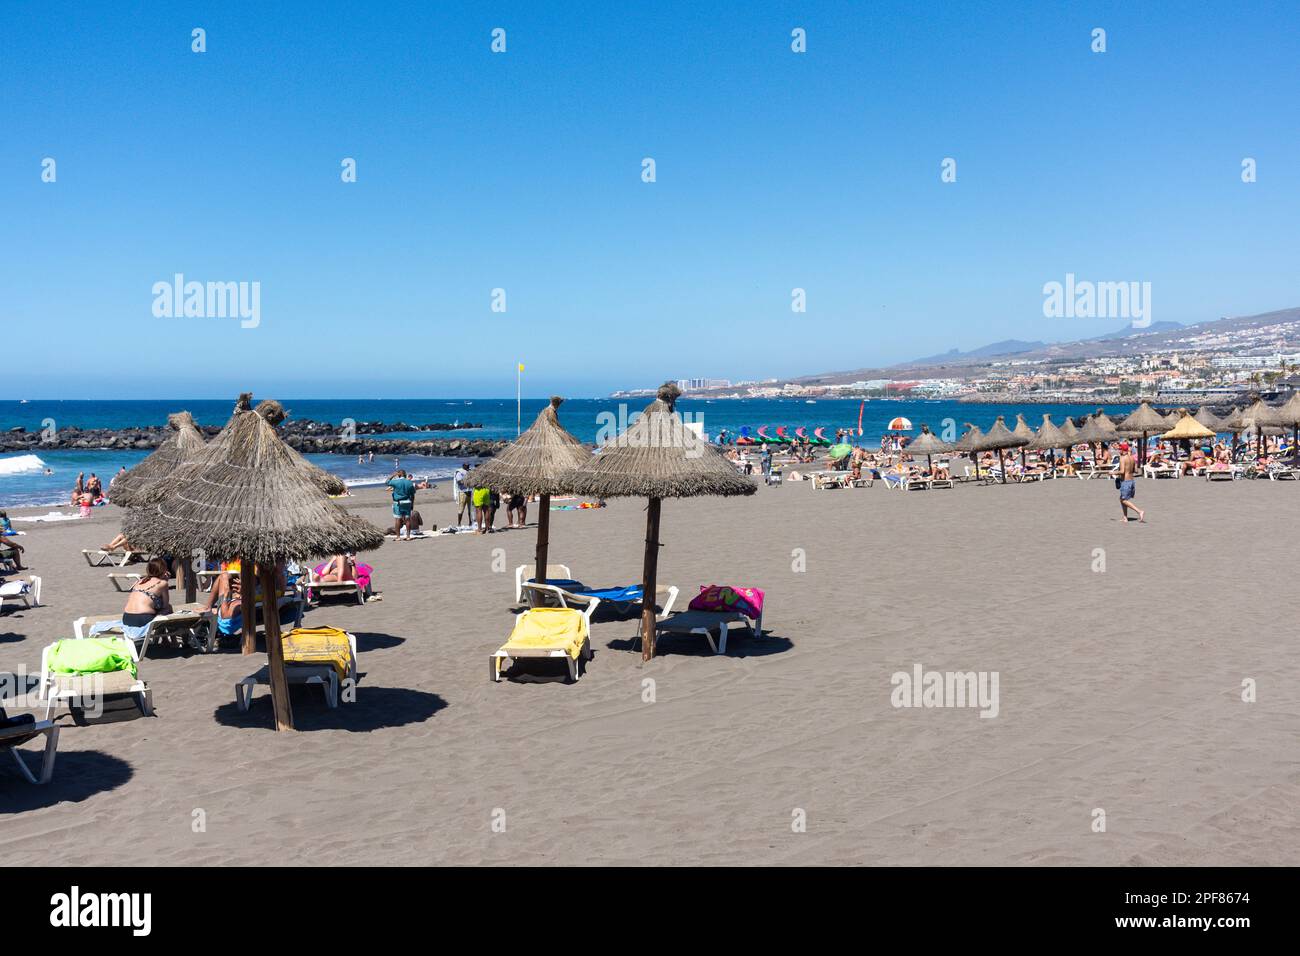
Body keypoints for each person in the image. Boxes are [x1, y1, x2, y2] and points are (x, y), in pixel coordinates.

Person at [89, 558, 172, 640]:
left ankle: (165, 640)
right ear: (163, 570)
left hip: (127, 618)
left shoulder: (140, 581)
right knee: (168, 609)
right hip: (142, 619)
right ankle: (173, 640)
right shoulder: (162, 583)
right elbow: (165, 605)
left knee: (158, 613)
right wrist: (165, 581)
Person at [1117, 442, 1145, 523]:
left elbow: (1122, 471)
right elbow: (1136, 470)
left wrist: (1112, 473)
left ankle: (1139, 511)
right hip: (1131, 481)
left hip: (1125, 482)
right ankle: (1125, 517)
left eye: (1119, 449)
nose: (1119, 451)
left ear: (1122, 450)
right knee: (1122, 499)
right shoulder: (1132, 458)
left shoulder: (1122, 458)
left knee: (1124, 500)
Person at [386, 469, 417, 539]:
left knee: (398, 519)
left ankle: (398, 537)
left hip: (398, 503)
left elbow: (387, 482)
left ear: (398, 475)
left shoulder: (396, 482)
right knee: (407, 519)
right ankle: (408, 536)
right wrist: (412, 504)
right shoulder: (409, 482)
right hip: (407, 502)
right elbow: (413, 495)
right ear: (405, 475)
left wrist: (392, 475)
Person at [453, 462, 472, 527]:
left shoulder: (470, 471)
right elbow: (459, 482)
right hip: (463, 492)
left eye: (468, 466)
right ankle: (459, 523)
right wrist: (468, 481)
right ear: (463, 466)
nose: (468, 467)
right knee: (461, 509)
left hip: (470, 492)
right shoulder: (459, 472)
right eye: (467, 466)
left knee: (471, 509)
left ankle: (470, 522)